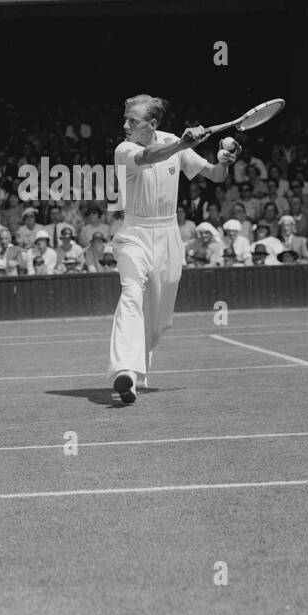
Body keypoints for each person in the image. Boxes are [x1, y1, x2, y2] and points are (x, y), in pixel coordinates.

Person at [107, 94, 235, 406]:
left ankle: (137, 369)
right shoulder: (125, 149)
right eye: (125, 119)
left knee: (159, 322)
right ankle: (125, 371)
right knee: (131, 293)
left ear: (152, 124)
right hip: (134, 234)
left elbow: (215, 176)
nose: (125, 125)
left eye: (132, 121)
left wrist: (224, 162)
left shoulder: (176, 143)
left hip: (168, 237)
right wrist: (182, 144)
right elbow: (148, 156)